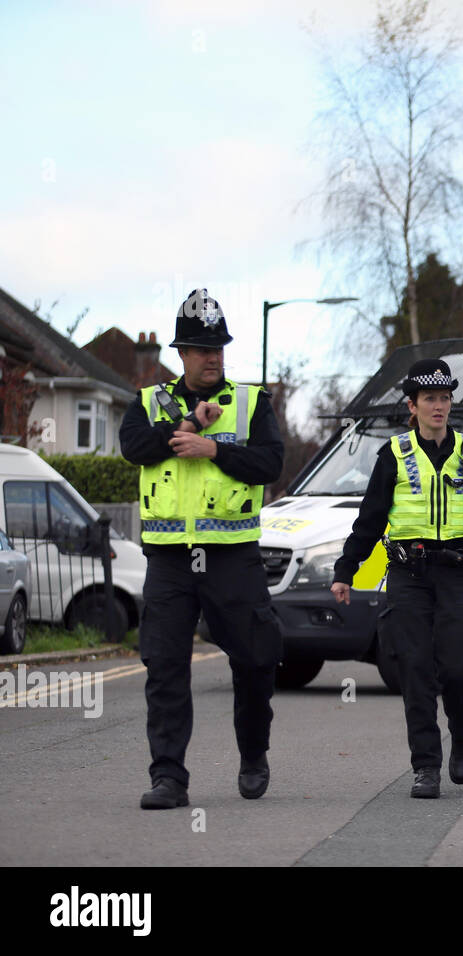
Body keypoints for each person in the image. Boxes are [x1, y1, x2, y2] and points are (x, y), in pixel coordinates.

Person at [330, 359, 463, 799]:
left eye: (444, 398)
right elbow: (369, 520)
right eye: (429, 399)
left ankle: (462, 734)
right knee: (415, 669)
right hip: (410, 573)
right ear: (412, 406)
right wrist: (345, 570)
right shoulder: (395, 455)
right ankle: (425, 765)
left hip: (461, 571)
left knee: (459, 667)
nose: (438, 407)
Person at [120, 289, 285, 810]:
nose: (212, 357)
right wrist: (188, 426)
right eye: (200, 348)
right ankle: (169, 777)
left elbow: (269, 465)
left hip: (232, 554)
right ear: (181, 354)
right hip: (169, 560)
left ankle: (253, 754)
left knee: (257, 661)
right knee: (165, 665)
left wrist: (213, 447)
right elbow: (134, 449)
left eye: (218, 348)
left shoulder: (253, 402)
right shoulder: (149, 403)